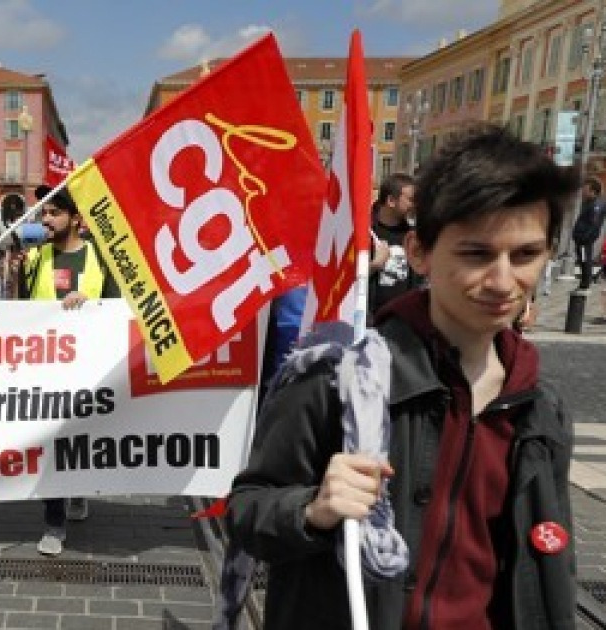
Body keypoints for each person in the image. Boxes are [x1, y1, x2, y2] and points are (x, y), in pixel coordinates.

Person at [225, 125, 579, 629]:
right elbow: (246, 513)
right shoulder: (336, 378)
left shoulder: (540, 406)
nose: (504, 281)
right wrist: (311, 509)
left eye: (525, 255)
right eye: (476, 254)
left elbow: (546, 561)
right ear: (419, 253)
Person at [18, 184, 121, 556]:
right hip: (45, 367)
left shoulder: (100, 257)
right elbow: (19, 311)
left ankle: (77, 489)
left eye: (54, 213)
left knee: (80, 439)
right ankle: (53, 520)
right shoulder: (33, 260)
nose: (45, 219)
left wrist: (89, 304)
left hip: (88, 366)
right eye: (42, 213)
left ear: (76, 218)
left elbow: (115, 312)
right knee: (51, 441)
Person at [368, 172, 422, 316]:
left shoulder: (414, 237)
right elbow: (343, 282)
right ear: (391, 200)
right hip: (368, 323)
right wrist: (374, 266)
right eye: (411, 200)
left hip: (402, 323)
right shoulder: (364, 233)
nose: (415, 205)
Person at [572, 177, 606, 289]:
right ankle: (584, 281)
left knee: (585, 260)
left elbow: (594, 224)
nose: (583, 191)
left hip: (584, 239)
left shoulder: (596, 205)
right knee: (583, 259)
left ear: (593, 191)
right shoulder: (590, 203)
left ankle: (585, 283)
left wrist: (585, 237)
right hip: (582, 238)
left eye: (586, 189)